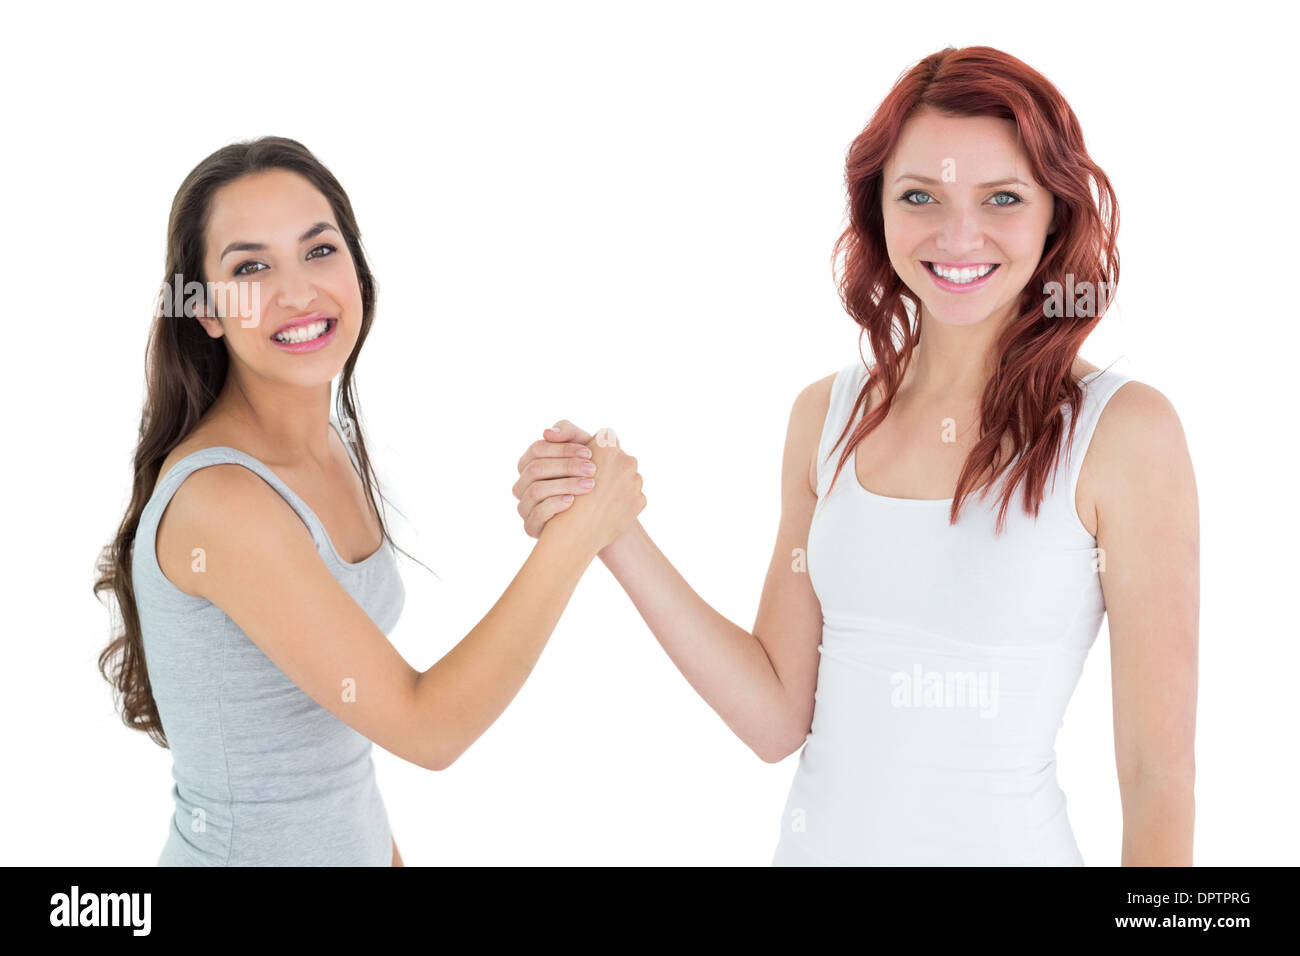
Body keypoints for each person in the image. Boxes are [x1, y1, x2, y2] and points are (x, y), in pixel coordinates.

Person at [512, 46, 1198, 865]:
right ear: (877, 208)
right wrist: (607, 527)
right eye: (921, 196)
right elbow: (774, 718)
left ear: (1056, 213)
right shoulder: (825, 417)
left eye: (1002, 198)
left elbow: (1159, 777)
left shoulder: (1124, 434)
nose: (958, 234)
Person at [94, 136, 644, 866]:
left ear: (356, 267)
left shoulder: (329, 444)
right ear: (207, 312)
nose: (296, 291)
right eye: (250, 267)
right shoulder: (219, 502)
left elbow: (336, 757)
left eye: (319, 251)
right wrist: (577, 535)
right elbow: (427, 728)